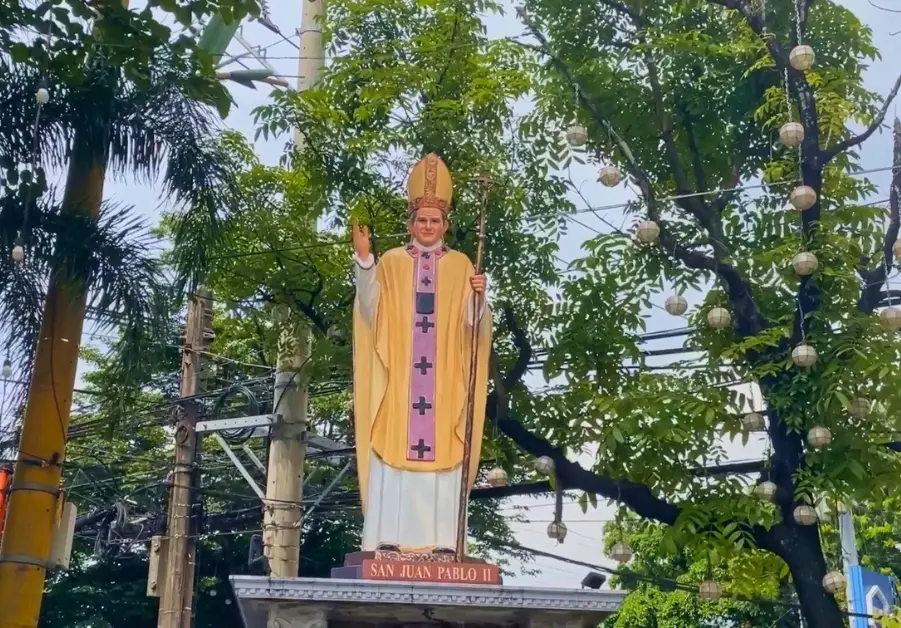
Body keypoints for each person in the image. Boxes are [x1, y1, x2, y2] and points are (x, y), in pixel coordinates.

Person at [351, 153, 492, 554]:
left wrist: (478, 299)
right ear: (410, 224)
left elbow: (474, 325)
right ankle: (387, 540)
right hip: (399, 377)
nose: (428, 227)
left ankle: (445, 543)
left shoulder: (463, 263)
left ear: (445, 224)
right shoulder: (392, 262)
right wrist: (365, 262)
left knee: (446, 453)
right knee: (393, 450)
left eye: (435, 221)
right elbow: (369, 308)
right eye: (422, 220)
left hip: (443, 379)